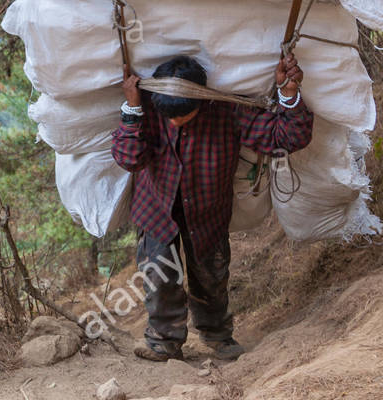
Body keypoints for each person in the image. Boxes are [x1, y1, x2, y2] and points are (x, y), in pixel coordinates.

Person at [112, 51, 313, 361]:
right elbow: (129, 159)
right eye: (171, 119)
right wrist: (133, 108)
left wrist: (288, 94)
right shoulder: (151, 106)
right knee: (159, 277)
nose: (176, 122)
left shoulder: (226, 110)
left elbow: (286, 138)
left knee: (212, 274)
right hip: (156, 208)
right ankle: (164, 339)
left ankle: (217, 334)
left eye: (184, 117)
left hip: (207, 210)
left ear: (202, 101)